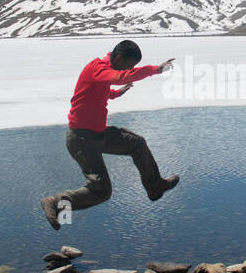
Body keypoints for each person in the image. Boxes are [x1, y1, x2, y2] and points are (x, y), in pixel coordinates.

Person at [40, 40, 179, 230]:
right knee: (102, 191)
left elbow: (95, 91)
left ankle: (155, 187)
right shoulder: (97, 68)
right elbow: (119, 77)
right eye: (129, 65)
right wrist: (156, 69)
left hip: (98, 134)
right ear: (119, 58)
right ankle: (55, 202)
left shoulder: (102, 72)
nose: (130, 70)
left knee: (136, 143)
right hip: (81, 140)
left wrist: (114, 94)